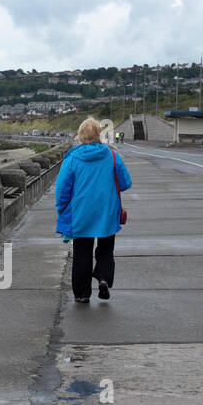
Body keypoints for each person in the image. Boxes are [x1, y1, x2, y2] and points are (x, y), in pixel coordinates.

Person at [55, 117, 131, 304]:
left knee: (82, 253)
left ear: (80, 136)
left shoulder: (72, 159)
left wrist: (61, 209)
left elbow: (61, 189)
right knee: (106, 249)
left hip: (80, 212)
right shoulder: (112, 156)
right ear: (99, 135)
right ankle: (104, 278)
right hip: (106, 211)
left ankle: (82, 294)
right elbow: (125, 183)